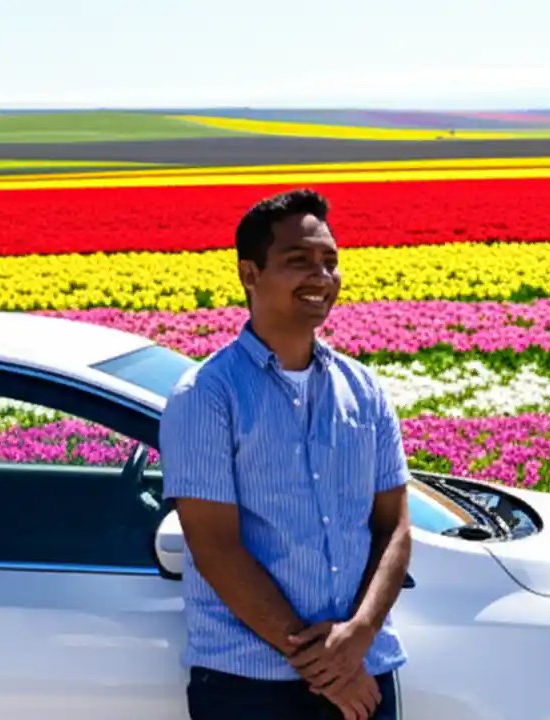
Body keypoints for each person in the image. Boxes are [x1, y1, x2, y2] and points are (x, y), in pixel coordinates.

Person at [159, 188, 413, 720]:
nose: (321, 277)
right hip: (250, 684)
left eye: (330, 261)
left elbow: (394, 527)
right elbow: (215, 547)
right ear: (249, 274)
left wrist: (358, 634)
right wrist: (323, 664)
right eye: (299, 262)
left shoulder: (363, 389)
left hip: (364, 670)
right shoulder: (207, 395)